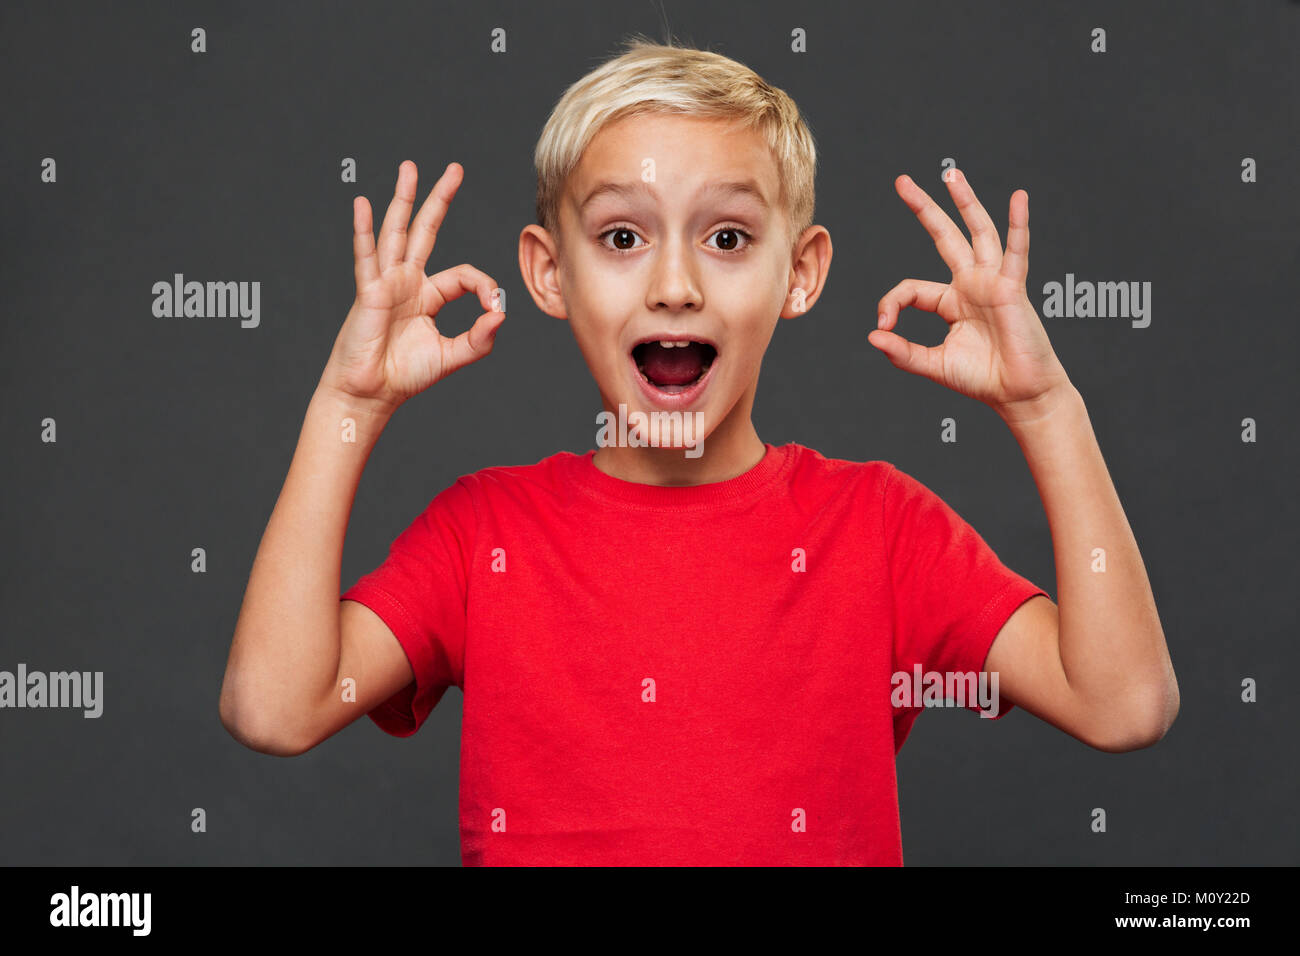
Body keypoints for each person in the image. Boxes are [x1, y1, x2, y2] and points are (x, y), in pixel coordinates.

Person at [219, 38, 1179, 865]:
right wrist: (348, 403)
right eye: (623, 236)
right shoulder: (486, 534)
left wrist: (1047, 409)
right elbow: (275, 707)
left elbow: (1123, 703)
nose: (674, 284)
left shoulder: (877, 528)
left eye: (726, 236)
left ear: (798, 274)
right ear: (550, 274)